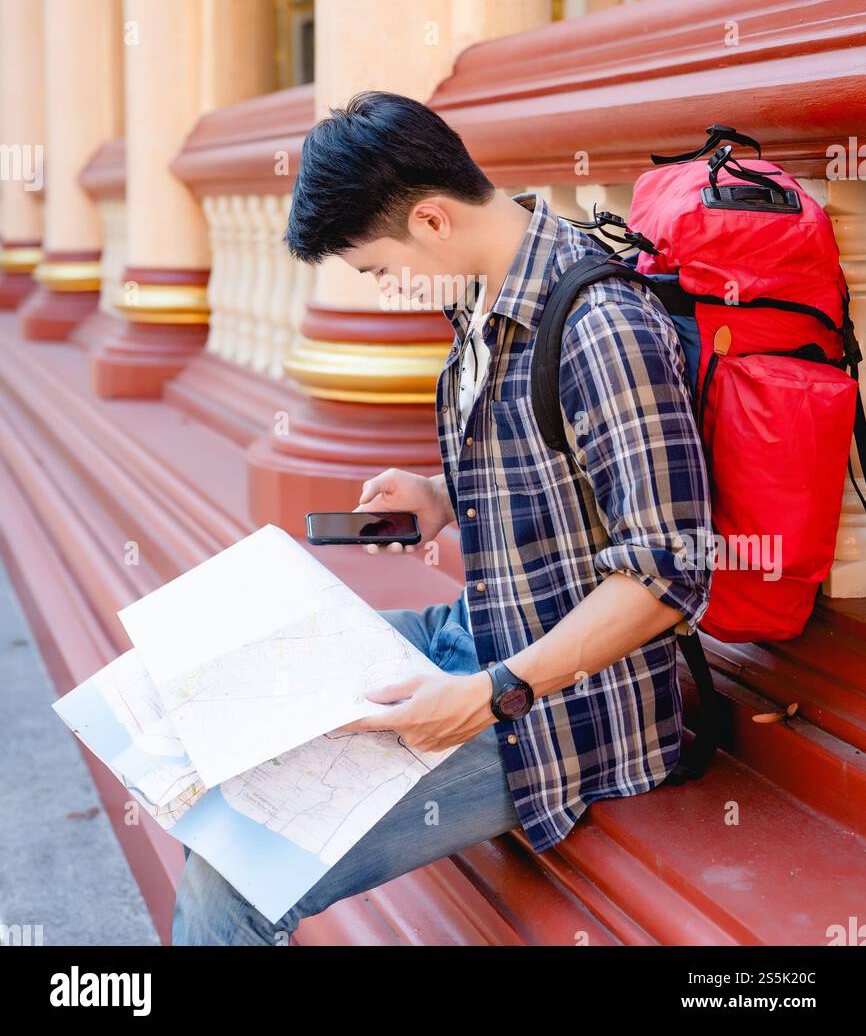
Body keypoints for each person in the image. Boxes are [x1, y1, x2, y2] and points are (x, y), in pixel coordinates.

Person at [172, 90, 713, 946]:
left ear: (429, 218)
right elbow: (561, 464)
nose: (385, 293)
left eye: (378, 270)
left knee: (232, 870)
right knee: (224, 689)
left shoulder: (600, 326)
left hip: (559, 714)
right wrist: (439, 491)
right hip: (474, 633)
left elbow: (669, 573)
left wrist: (489, 695)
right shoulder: (485, 293)